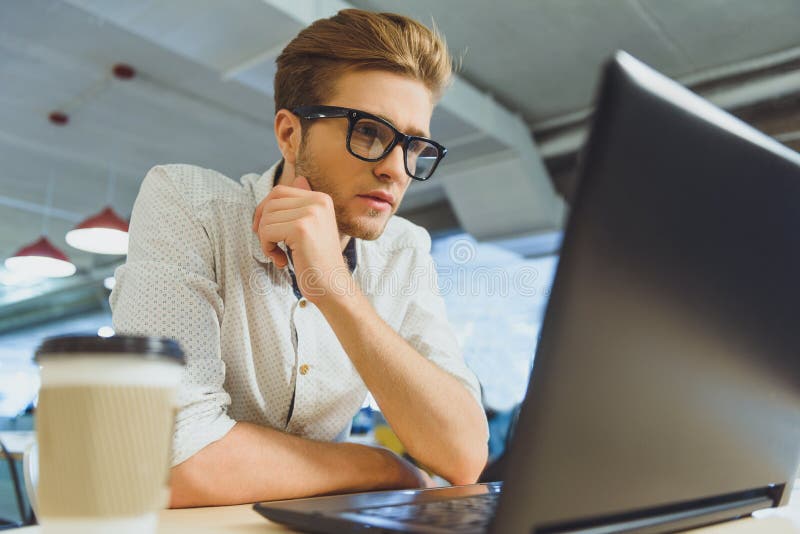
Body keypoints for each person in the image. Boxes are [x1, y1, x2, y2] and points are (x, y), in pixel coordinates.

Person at [110, 8, 488, 507]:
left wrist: (336, 288)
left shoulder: (403, 249)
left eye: (414, 146)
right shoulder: (188, 203)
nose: (397, 169)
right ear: (290, 134)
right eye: (368, 132)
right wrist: (382, 467)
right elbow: (167, 458)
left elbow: (463, 456)